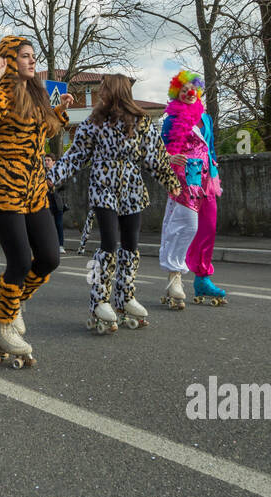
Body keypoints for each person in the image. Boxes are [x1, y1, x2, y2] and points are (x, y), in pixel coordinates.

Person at [0, 36, 72, 367]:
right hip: (5, 187)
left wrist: (59, 112)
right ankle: (2, 325)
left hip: (35, 187)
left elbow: (47, 132)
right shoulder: (2, 90)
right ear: (10, 60)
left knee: (50, 258)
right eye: (25, 56)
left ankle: (9, 309)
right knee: (20, 262)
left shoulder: (36, 92)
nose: (31, 61)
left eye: (33, 56)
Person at [53, 74, 178, 332]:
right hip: (103, 188)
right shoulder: (93, 123)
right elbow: (73, 157)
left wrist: (172, 183)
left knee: (131, 245)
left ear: (116, 92)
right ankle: (99, 299)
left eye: (104, 89)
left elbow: (157, 157)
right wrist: (50, 179)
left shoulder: (142, 122)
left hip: (132, 188)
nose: (100, 93)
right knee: (109, 244)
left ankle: (125, 296)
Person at [157, 72, 225, 309]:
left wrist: (214, 176)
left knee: (208, 227)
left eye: (192, 88)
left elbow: (211, 149)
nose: (189, 92)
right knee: (186, 225)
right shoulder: (170, 120)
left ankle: (202, 278)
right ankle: (174, 276)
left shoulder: (205, 119)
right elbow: (159, 154)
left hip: (206, 180)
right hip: (183, 181)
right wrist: (170, 161)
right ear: (177, 93)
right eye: (183, 89)